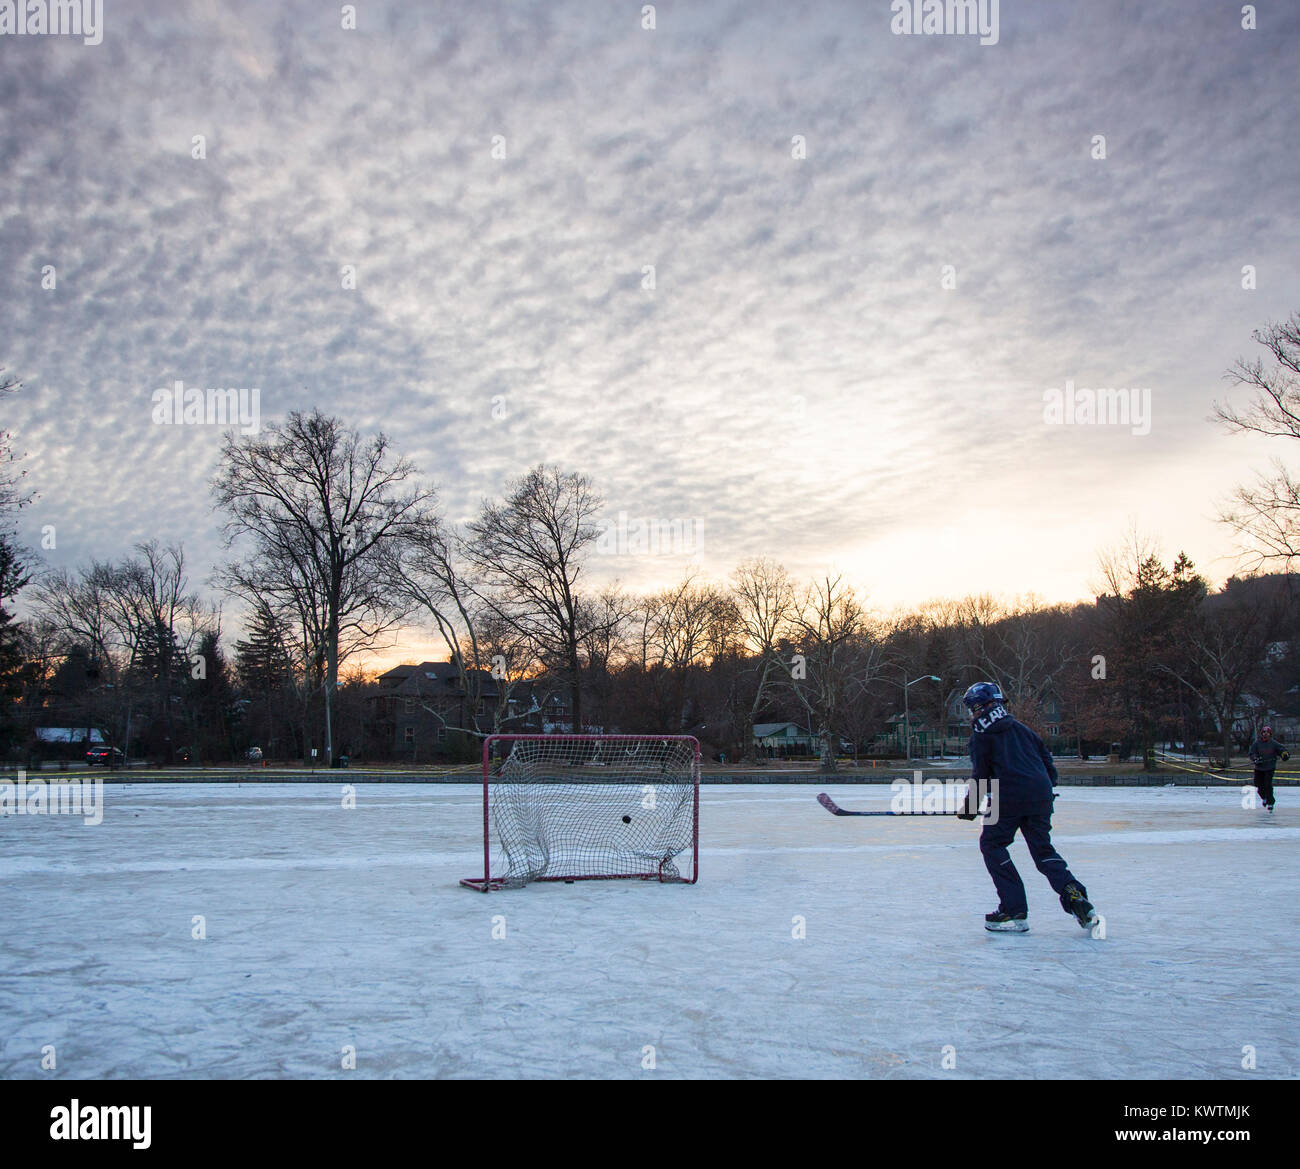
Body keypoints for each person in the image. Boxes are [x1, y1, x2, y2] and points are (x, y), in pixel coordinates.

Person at [958, 682, 1098, 933]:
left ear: (979, 707)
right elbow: (1047, 762)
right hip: (1040, 796)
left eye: (972, 709)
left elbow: (980, 775)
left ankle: (1014, 910)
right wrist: (1043, 789)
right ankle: (1074, 893)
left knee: (992, 844)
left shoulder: (981, 735)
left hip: (1007, 797)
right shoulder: (1022, 729)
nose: (972, 715)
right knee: (1043, 851)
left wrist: (969, 809)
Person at [1248, 726, 1289, 812]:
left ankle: (1270, 802)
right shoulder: (1256, 743)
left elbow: (1282, 750)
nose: (1265, 734)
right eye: (1263, 732)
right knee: (1258, 785)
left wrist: (1284, 754)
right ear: (1261, 734)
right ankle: (1264, 798)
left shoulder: (1274, 743)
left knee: (1268, 785)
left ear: (1270, 734)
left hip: (1269, 768)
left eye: (1267, 733)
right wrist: (1255, 758)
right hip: (1259, 768)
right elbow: (1252, 753)